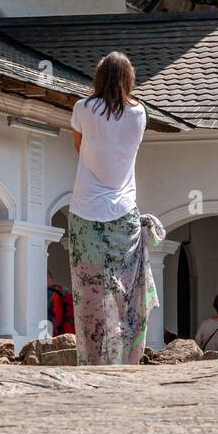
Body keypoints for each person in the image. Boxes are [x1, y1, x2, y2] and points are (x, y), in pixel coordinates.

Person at [67, 51, 164, 365]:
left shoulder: (82, 108)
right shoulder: (139, 113)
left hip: (85, 210)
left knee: (89, 291)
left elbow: (79, 145)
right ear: (128, 79)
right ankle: (129, 357)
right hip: (124, 211)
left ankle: (93, 359)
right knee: (127, 290)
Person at [46, 271, 75, 336]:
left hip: (59, 336)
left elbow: (53, 320)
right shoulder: (62, 293)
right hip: (69, 334)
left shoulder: (51, 294)